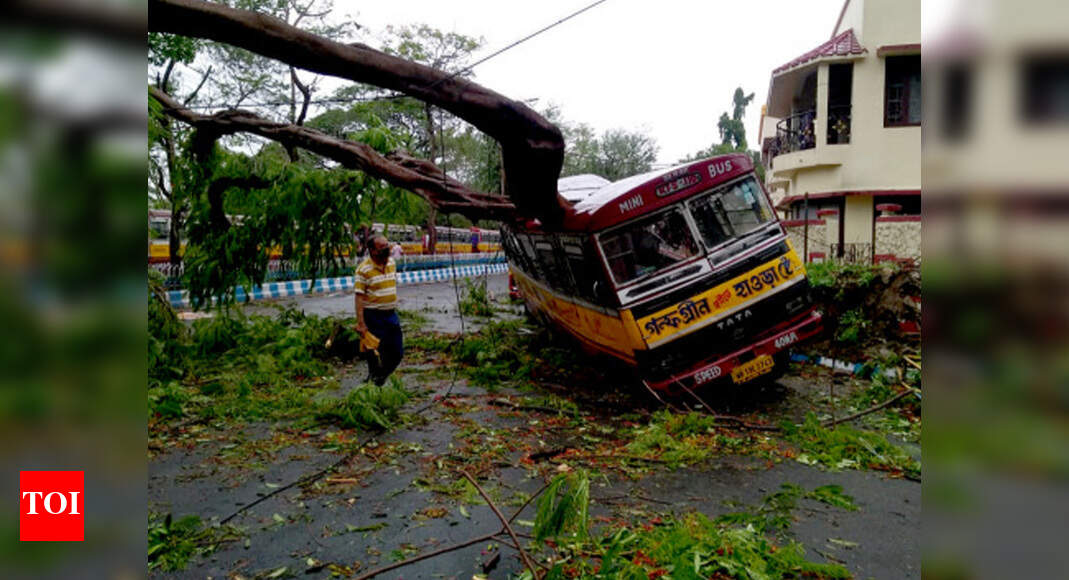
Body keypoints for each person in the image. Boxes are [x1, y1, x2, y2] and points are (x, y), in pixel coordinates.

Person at [353, 235, 403, 385]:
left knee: (397, 352)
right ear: (372, 250)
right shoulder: (363, 270)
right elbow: (359, 298)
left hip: (391, 315)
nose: (386, 250)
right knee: (374, 354)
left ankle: (377, 378)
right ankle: (374, 383)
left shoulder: (392, 263)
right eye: (382, 248)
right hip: (373, 316)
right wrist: (361, 323)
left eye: (387, 246)